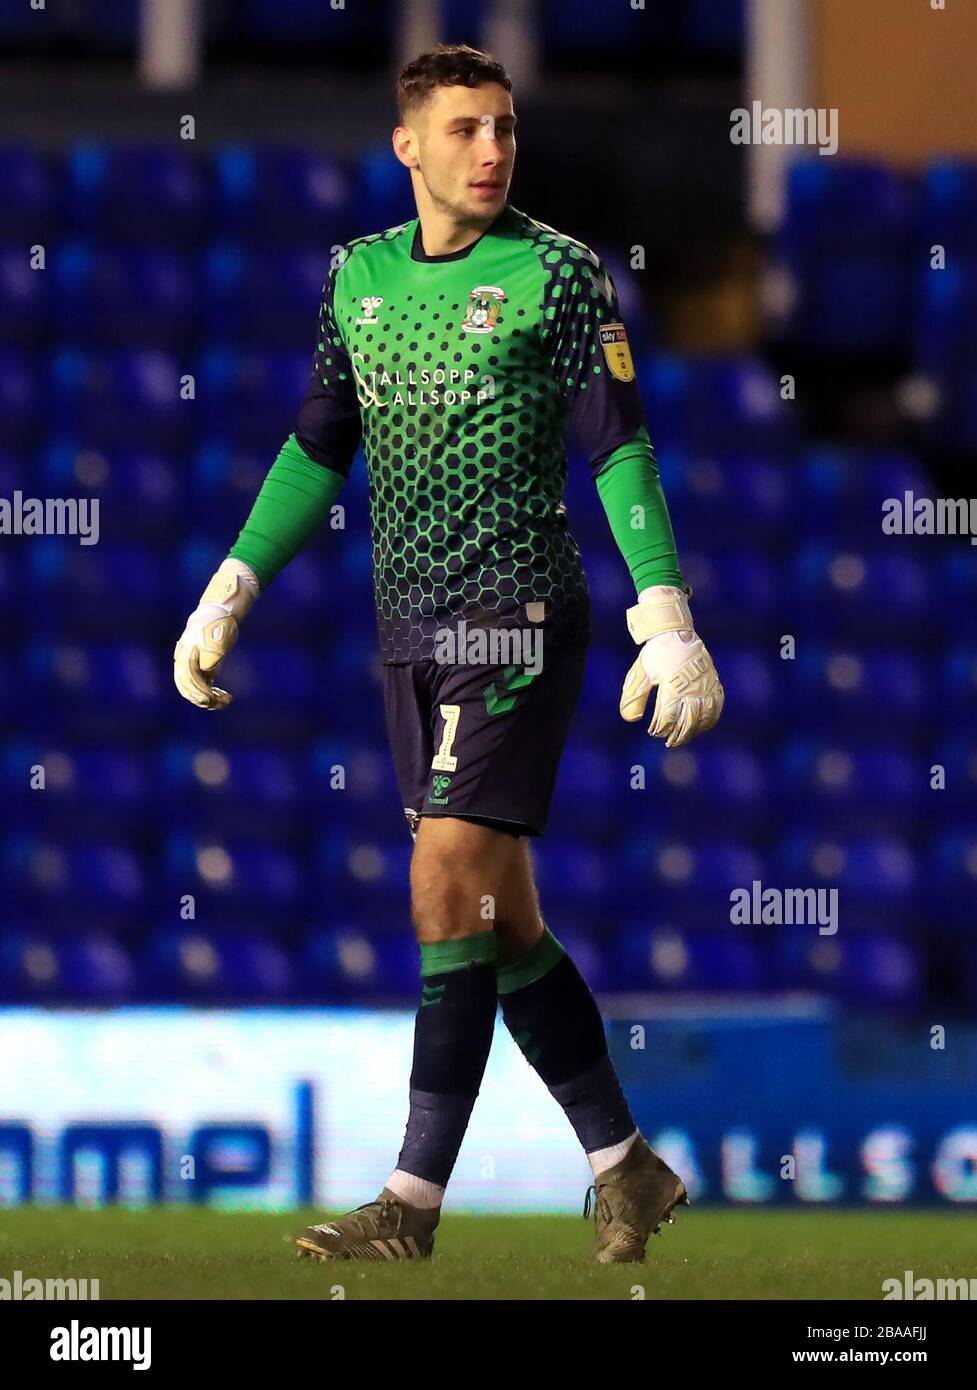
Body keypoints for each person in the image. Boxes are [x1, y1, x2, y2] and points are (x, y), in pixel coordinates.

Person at [174, 43, 724, 1264]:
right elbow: (318, 442)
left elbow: (617, 449)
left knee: (440, 882)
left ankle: (409, 1205)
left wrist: (664, 614)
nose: (491, 150)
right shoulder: (356, 279)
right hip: (406, 637)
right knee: (498, 917)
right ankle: (623, 1164)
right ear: (408, 147)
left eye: (505, 129)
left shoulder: (558, 274)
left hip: (516, 620)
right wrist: (231, 587)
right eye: (465, 129)